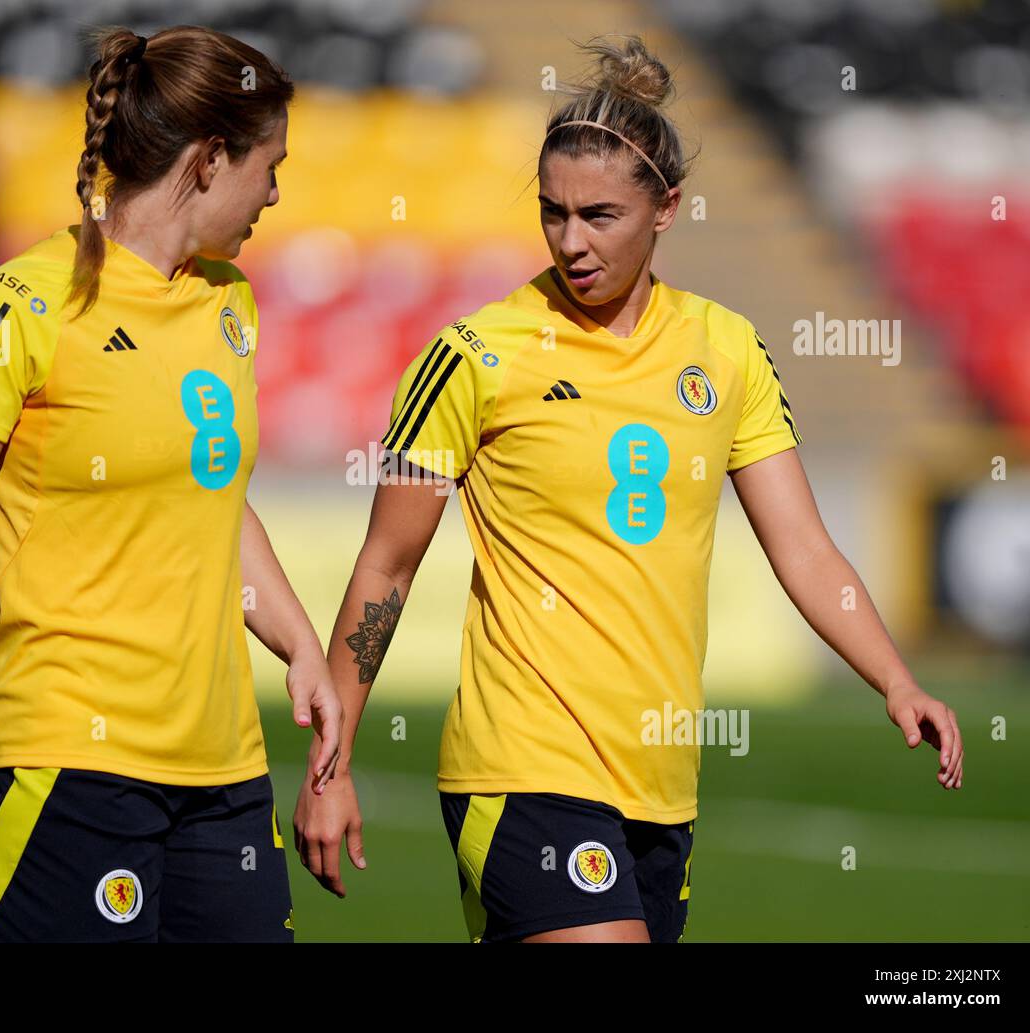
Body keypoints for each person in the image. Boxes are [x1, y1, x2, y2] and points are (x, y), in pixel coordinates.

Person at [293, 35, 963, 943]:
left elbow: (801, 544)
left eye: (600, 215)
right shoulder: (476, 356)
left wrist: (894, 677)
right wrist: (330, 770)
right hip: (522, 769)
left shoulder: (725, 351)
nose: (572, 241)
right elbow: (386, 566)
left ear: (667, 210)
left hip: (661, 784)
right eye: (553, 213)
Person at [0, 25, 341, 943]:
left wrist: (300, 645)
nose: (276, 191)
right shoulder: (13, 308)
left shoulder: (229, 301)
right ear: (208, 159)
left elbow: (215, 501)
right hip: (66, 758)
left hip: (224, 771)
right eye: (268, 165)